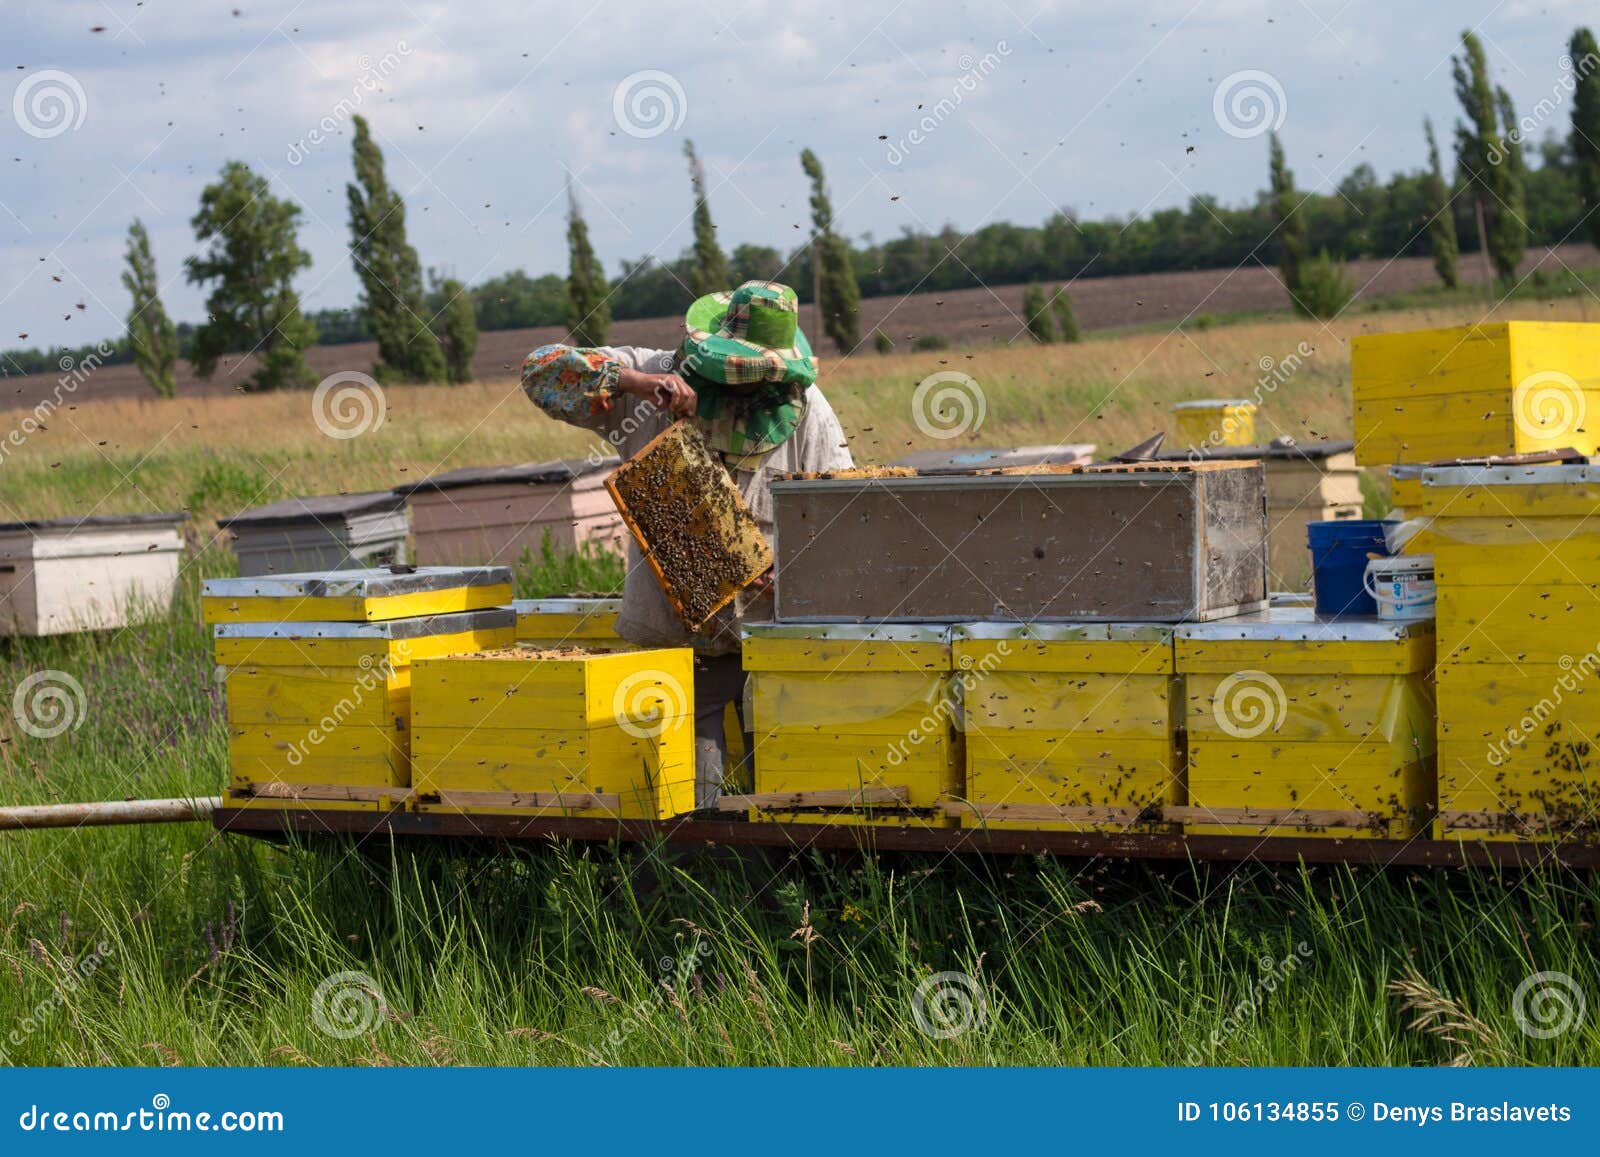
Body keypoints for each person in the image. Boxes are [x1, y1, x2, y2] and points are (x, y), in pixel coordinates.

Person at [521, 281, 853, 807]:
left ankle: (777, 885)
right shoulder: (651, 376)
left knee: (782, 788)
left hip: (767, 634)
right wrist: (634, 382)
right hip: (678, 640)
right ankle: (689, 881)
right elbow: (540, 370)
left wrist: (792, 568)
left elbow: (841, 512)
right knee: (685, 795)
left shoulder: (807, 407)